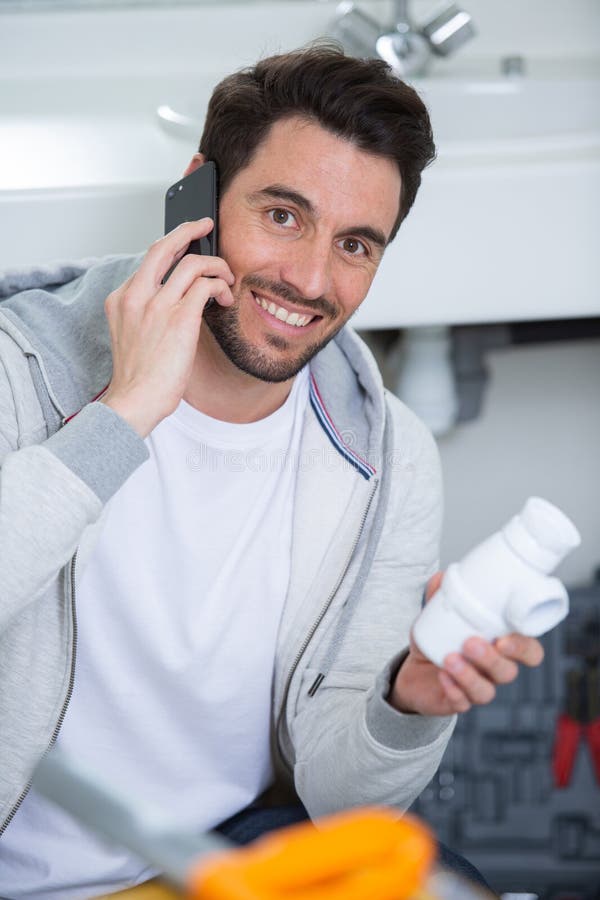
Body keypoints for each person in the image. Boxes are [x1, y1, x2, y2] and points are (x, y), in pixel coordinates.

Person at [0, 43, 543, 898]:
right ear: (198, 196)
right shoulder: (17, 368)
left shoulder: (387, 457)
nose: (311, 280)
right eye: (283, 216)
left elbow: (343, 802)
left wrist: (406, 703)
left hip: (234, 859)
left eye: (355, 244)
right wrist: (124, 414)